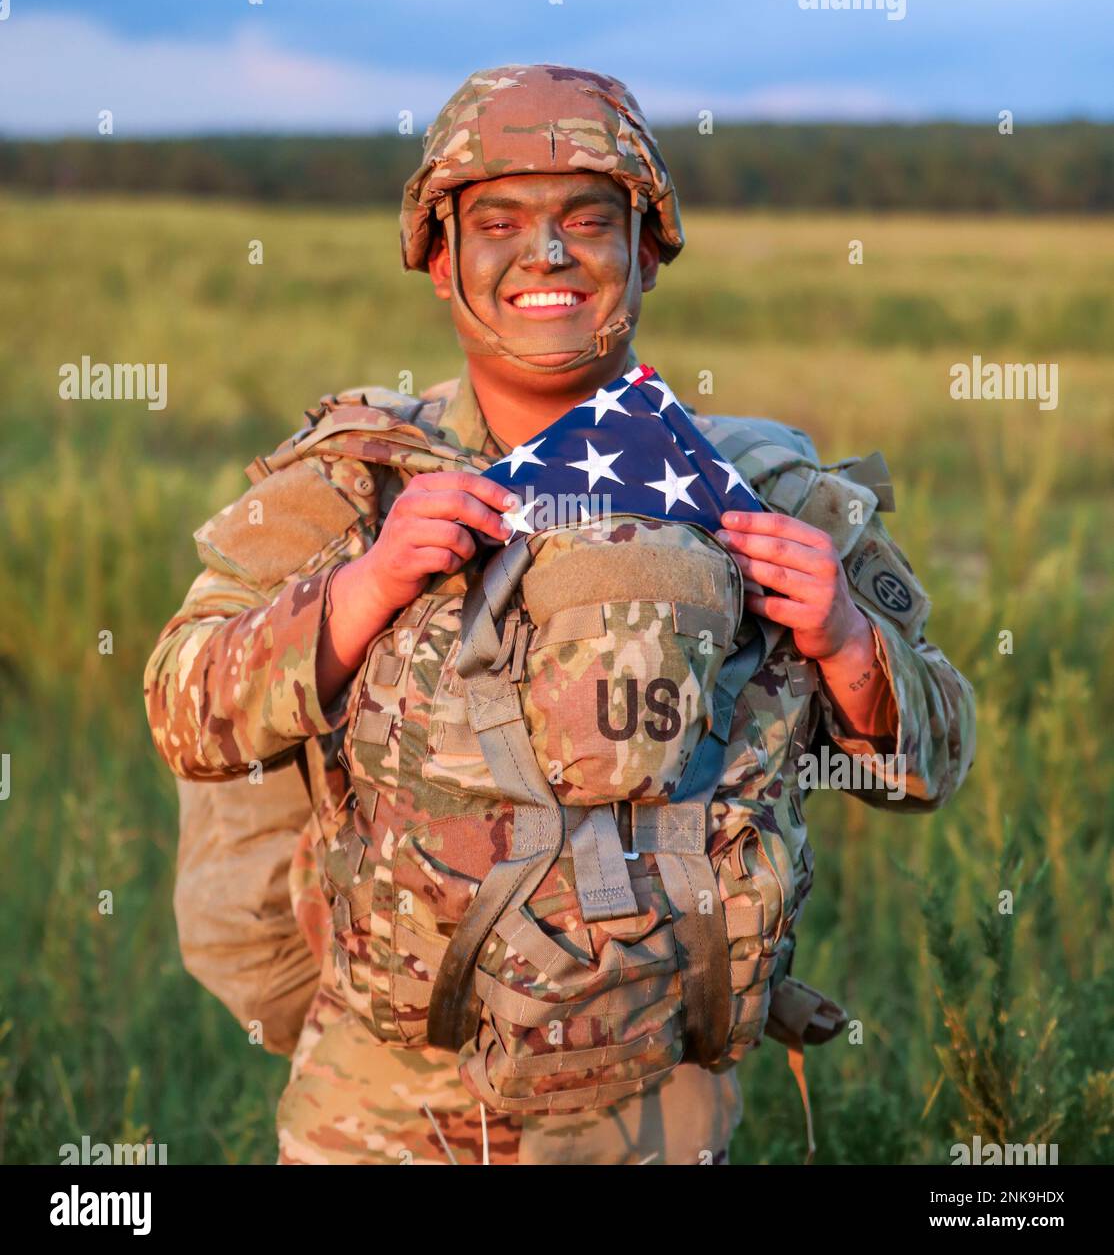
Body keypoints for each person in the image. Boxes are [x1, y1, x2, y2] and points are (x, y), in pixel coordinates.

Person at [144, 63, 976, 1165]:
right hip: (383, 1109)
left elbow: (932, 763)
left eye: (589, 219)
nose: (546, 253)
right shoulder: (358, 483)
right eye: (499, 221)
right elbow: (183, 712)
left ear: (647, 248)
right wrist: (361, 592)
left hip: (655, 1110)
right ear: (440, 258)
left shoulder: (758, 490)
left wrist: (846, 642)